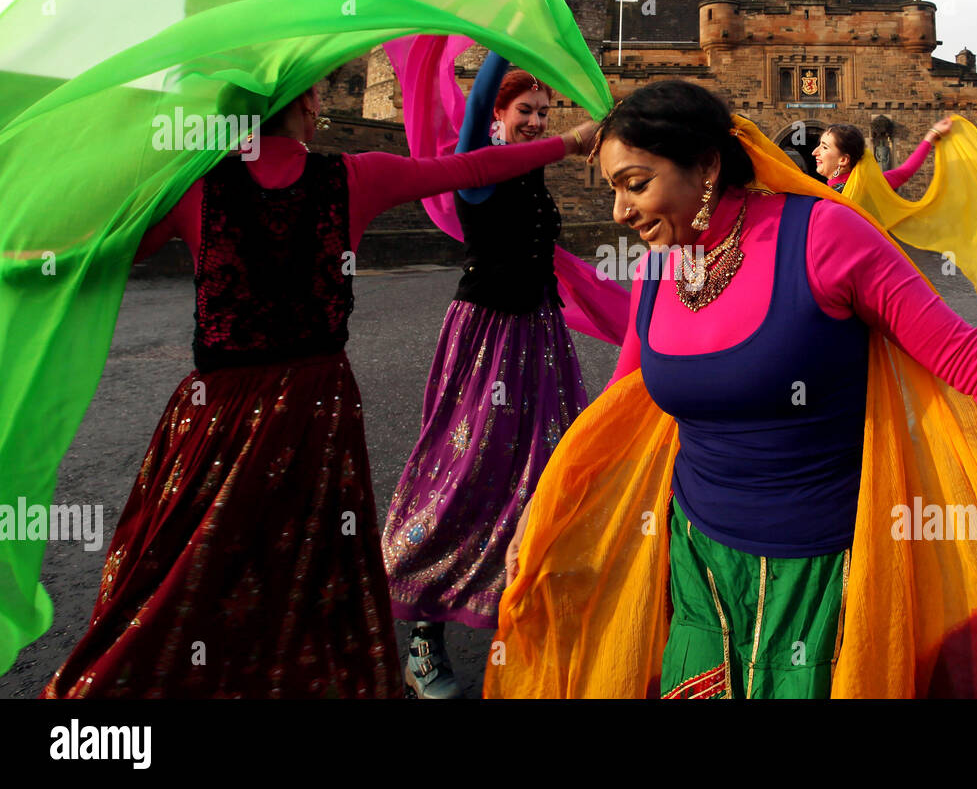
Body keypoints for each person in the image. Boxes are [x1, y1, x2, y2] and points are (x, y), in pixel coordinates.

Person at [490, 80, 977, 699]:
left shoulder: (825, 238)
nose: (619, 212)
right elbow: (622, 404)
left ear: (706, 166)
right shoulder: (660, 263)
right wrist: (550, 503)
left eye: (635, 183)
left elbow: (971, 357)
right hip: (695, 564)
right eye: (613, 189)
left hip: (822, 578)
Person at [42, 83, 596, 698]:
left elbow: (101, 253)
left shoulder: (195, 186)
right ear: (309, 104)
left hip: (219, 411)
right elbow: (471, 164)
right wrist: (569, 142)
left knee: (189, 562)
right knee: (311, 568)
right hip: (315, 404)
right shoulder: (354, 177)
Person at [381, 56, 590, 698]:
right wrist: (504, 28)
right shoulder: (476, 171)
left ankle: (526, 616)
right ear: (497, 117)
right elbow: (470, 110)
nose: (535, 121)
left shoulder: (532, 181)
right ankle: (423, 624)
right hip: (488, 339)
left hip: (540, 340)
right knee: (466, 473)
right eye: (523, 111)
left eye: (544, 113)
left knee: (550, 474)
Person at [813, 119, 950, 193]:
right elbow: (905, 172)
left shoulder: (831, 199)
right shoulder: (873, 184)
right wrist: (931, 135)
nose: (814, 152)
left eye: (824, 147)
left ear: (843, 160)